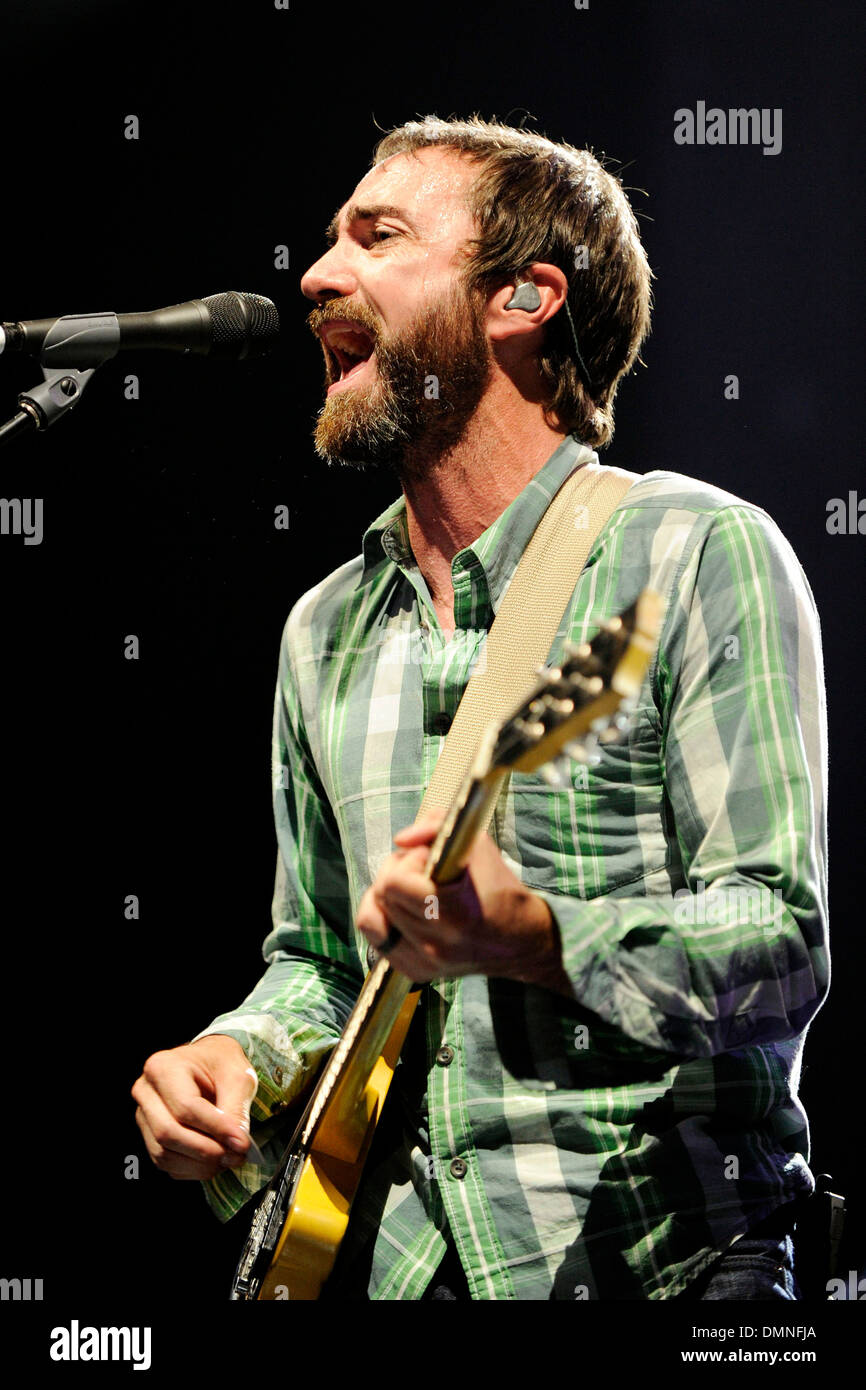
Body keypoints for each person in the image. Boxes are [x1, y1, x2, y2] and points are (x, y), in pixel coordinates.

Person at [132, 116, 829, 1301]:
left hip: (667, 1265)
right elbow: (314, 956)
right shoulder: (322, 627)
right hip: (399, 1271)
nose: (315, 275)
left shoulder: (690, 550)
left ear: (523, 296)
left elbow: (778, 944)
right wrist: (230, 1053)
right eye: (327, 239)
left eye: (377, 234)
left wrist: (538, 937)